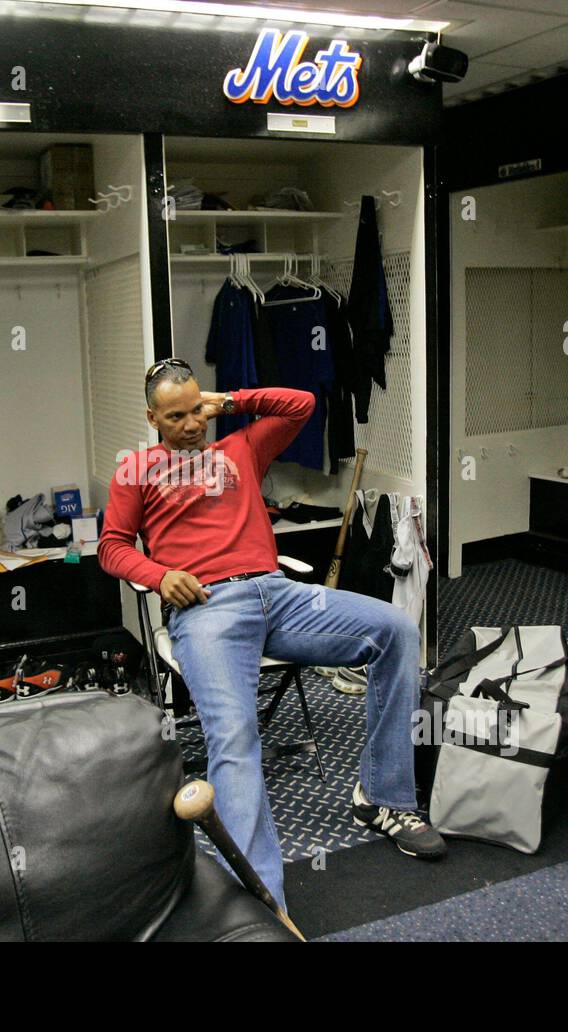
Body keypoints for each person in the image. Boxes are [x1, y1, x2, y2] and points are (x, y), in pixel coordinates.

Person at [98, 358, 445, 912]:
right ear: (151, 418)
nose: (191, 424)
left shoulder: (239, 450)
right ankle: (260, 904)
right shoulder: (135, 471)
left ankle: (384, 798)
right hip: (207, 610)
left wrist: (230, 400)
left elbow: (302, 403)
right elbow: (112, 547)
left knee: (397, 631)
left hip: (278, 594)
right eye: (176, 416)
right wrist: (160, 576)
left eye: (196, 411)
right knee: (235, 737)